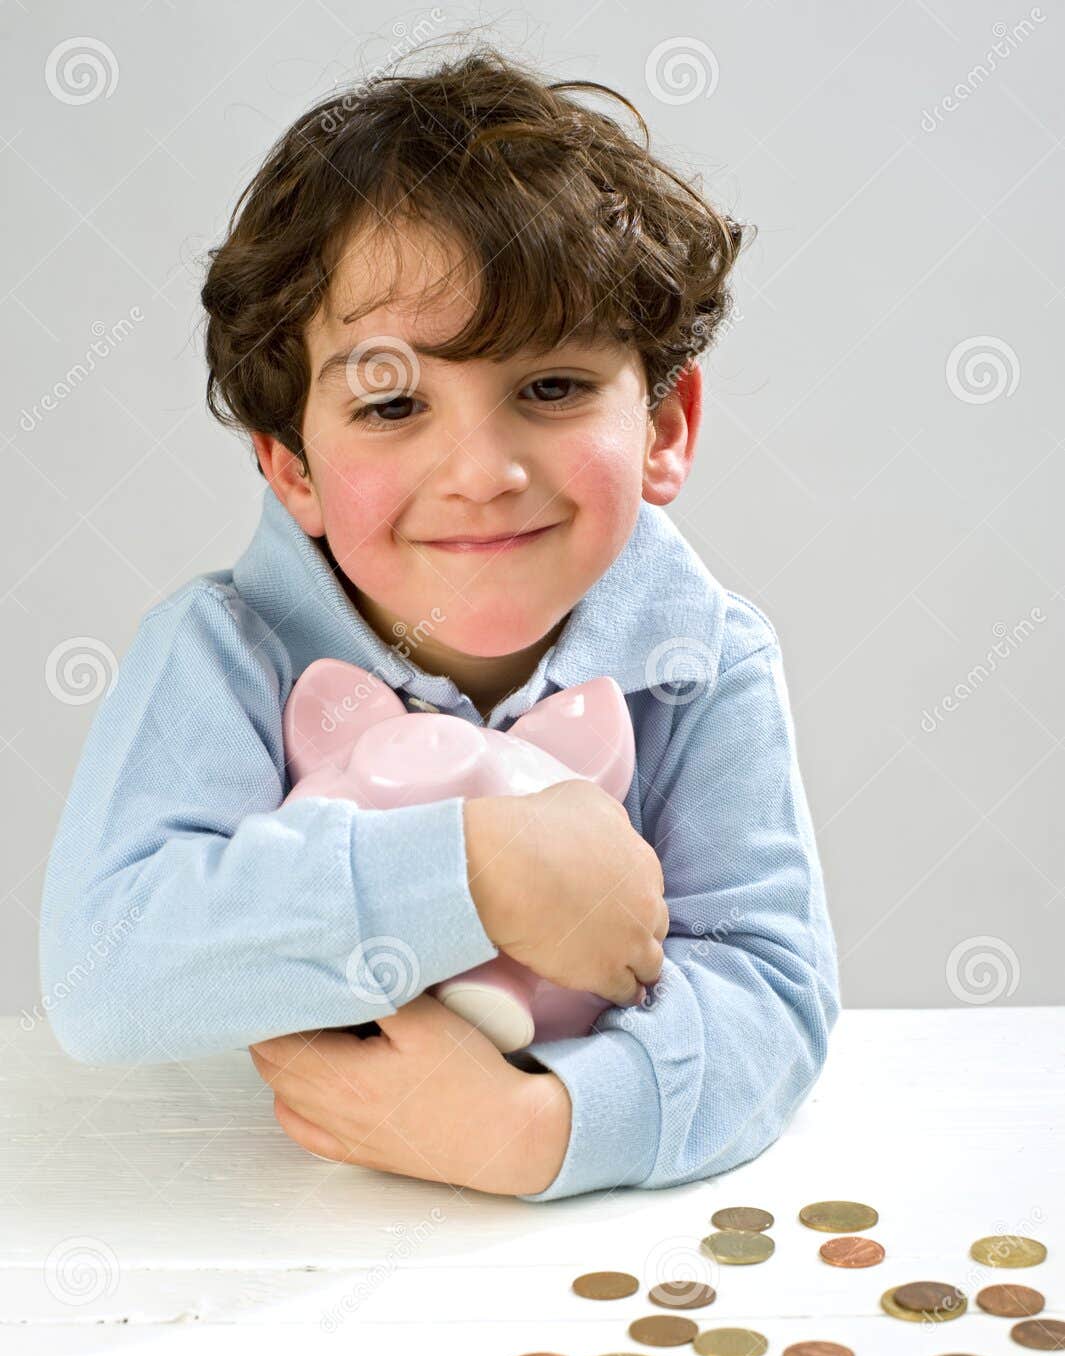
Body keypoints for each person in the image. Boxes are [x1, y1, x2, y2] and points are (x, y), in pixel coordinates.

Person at [39, 45, 840, 1202]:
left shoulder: (703, 658)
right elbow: (107, 973)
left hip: (570, 1258)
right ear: (291, 465)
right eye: (394, 402)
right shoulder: (221, 653)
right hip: (274, 1232)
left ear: (665, 425)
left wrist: (542, 1127)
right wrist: (477, 868)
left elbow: (772, 992)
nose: (482, 471)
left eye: (552, 387)